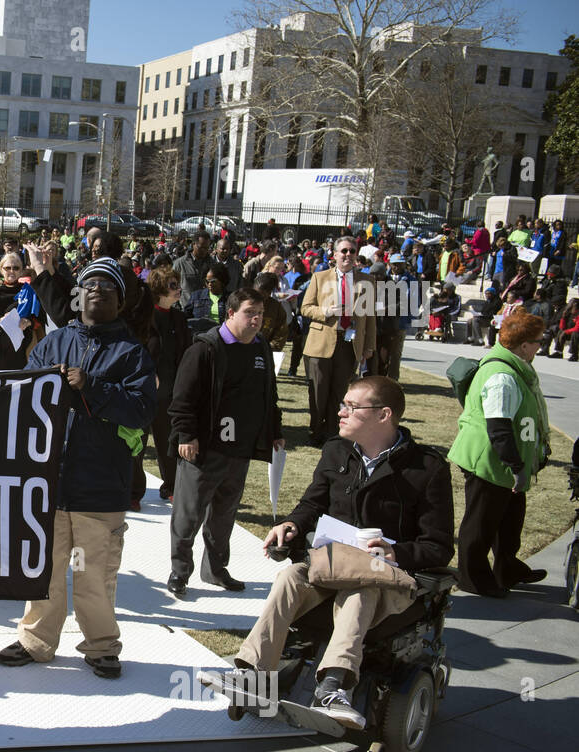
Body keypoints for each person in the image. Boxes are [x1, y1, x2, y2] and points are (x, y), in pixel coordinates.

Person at [227, 376, 454, 728]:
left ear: (384, 415)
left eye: (352, 406)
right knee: (290, 576)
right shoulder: (337, 451)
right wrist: (292, 525)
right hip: (331, 565)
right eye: (343, 404)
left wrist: (397, 553)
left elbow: (438, 546)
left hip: (386, 580)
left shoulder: (426, 469)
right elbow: (312, 502)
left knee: (363, 587)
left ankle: (334, 686)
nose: (340, 411)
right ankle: (253, 675)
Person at [0, 257, 156, 679]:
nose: (98, 289)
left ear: (120, 301)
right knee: (43, 570)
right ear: (76, 295)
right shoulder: (52, 343)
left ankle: (101, 646)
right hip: (48, 483)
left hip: (99, 486)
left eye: (108, 285)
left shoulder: (132, 353)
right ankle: (35, 640)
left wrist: (93, 386)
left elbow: (140, 411)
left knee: (92, 575)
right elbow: (22, 394)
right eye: (90, 284)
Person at [167, 288, 284, 597]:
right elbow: (182, 398)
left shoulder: (261, 348)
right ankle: (179, 572)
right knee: (188, 516)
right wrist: (186, 435)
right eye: (250, 312)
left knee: (224, 517)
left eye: (260, 313)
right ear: (231, 313)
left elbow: (268, 395)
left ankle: (216, 570)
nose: (257, 319)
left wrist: (275, 429)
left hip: (239, 451)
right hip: (204, 450)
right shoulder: (205, 349)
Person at [447, 312, 552, 598]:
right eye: (538, 342)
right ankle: (473, 578)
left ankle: (507, 568)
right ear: (523, 346)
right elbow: (498, 427)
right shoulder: (503, 377)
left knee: (509, 519)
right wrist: (516, 466)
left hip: (502, 460)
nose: (540, 347)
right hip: (490, 460)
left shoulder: (513, 366)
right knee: (481, 523)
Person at [299, 236, 376, 446]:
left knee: (340, 391)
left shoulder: (367, 281)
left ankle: (333, 433)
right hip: (320, 344)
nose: (348, 255)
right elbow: (305, 308)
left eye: (352, 251)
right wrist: (325, 311)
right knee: (318, 390)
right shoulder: (320, 277)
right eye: (344, 251)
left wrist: (369, 346)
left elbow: (370, 318)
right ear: (334, 254)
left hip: (349, 344)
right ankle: (316, 430)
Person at [144, 265, 189, 502]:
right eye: (172, 285)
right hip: (143, 392)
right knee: (136, 445)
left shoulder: (179, 318)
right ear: (159, 289)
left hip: (170, 391)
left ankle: (171, 486)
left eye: (178, 284)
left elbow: (186, 353)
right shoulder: (144, 317)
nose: (178, 289)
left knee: (168, 442)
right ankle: (132, 491)